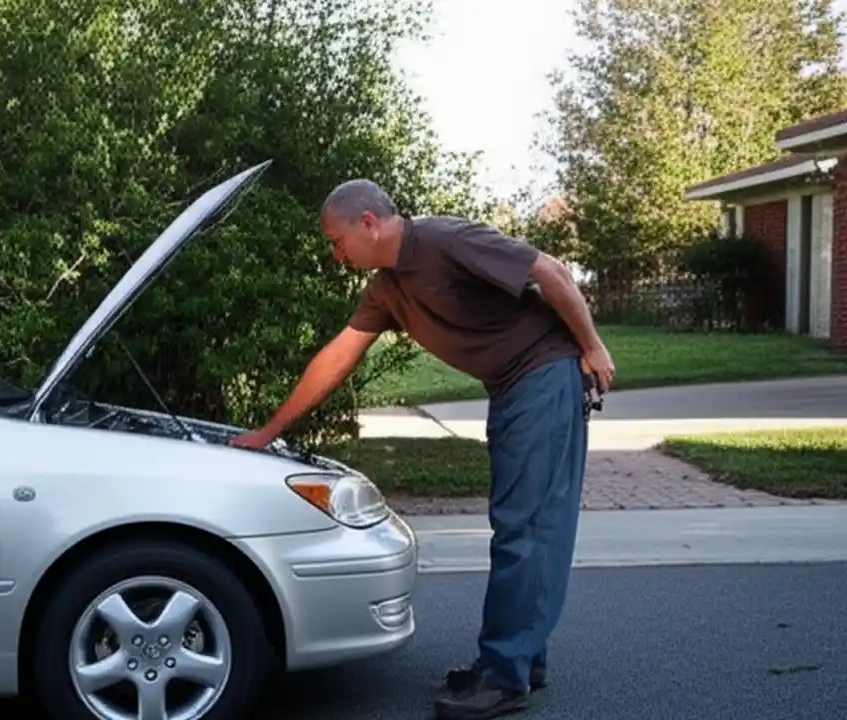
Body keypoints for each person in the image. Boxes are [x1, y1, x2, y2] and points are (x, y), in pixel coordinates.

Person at [230, 179, 614, 720]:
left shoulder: (445, 240)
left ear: (368, 222)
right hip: (512, 387)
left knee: (526, 528)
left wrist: (593, 348)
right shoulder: (386, 289)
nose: (336, 255)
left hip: (544, 374)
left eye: (337, 241)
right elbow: (338, 357)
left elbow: (548, 270)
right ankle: (519, 661)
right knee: (522, 527)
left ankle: (504, 676)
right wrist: (268, 431)